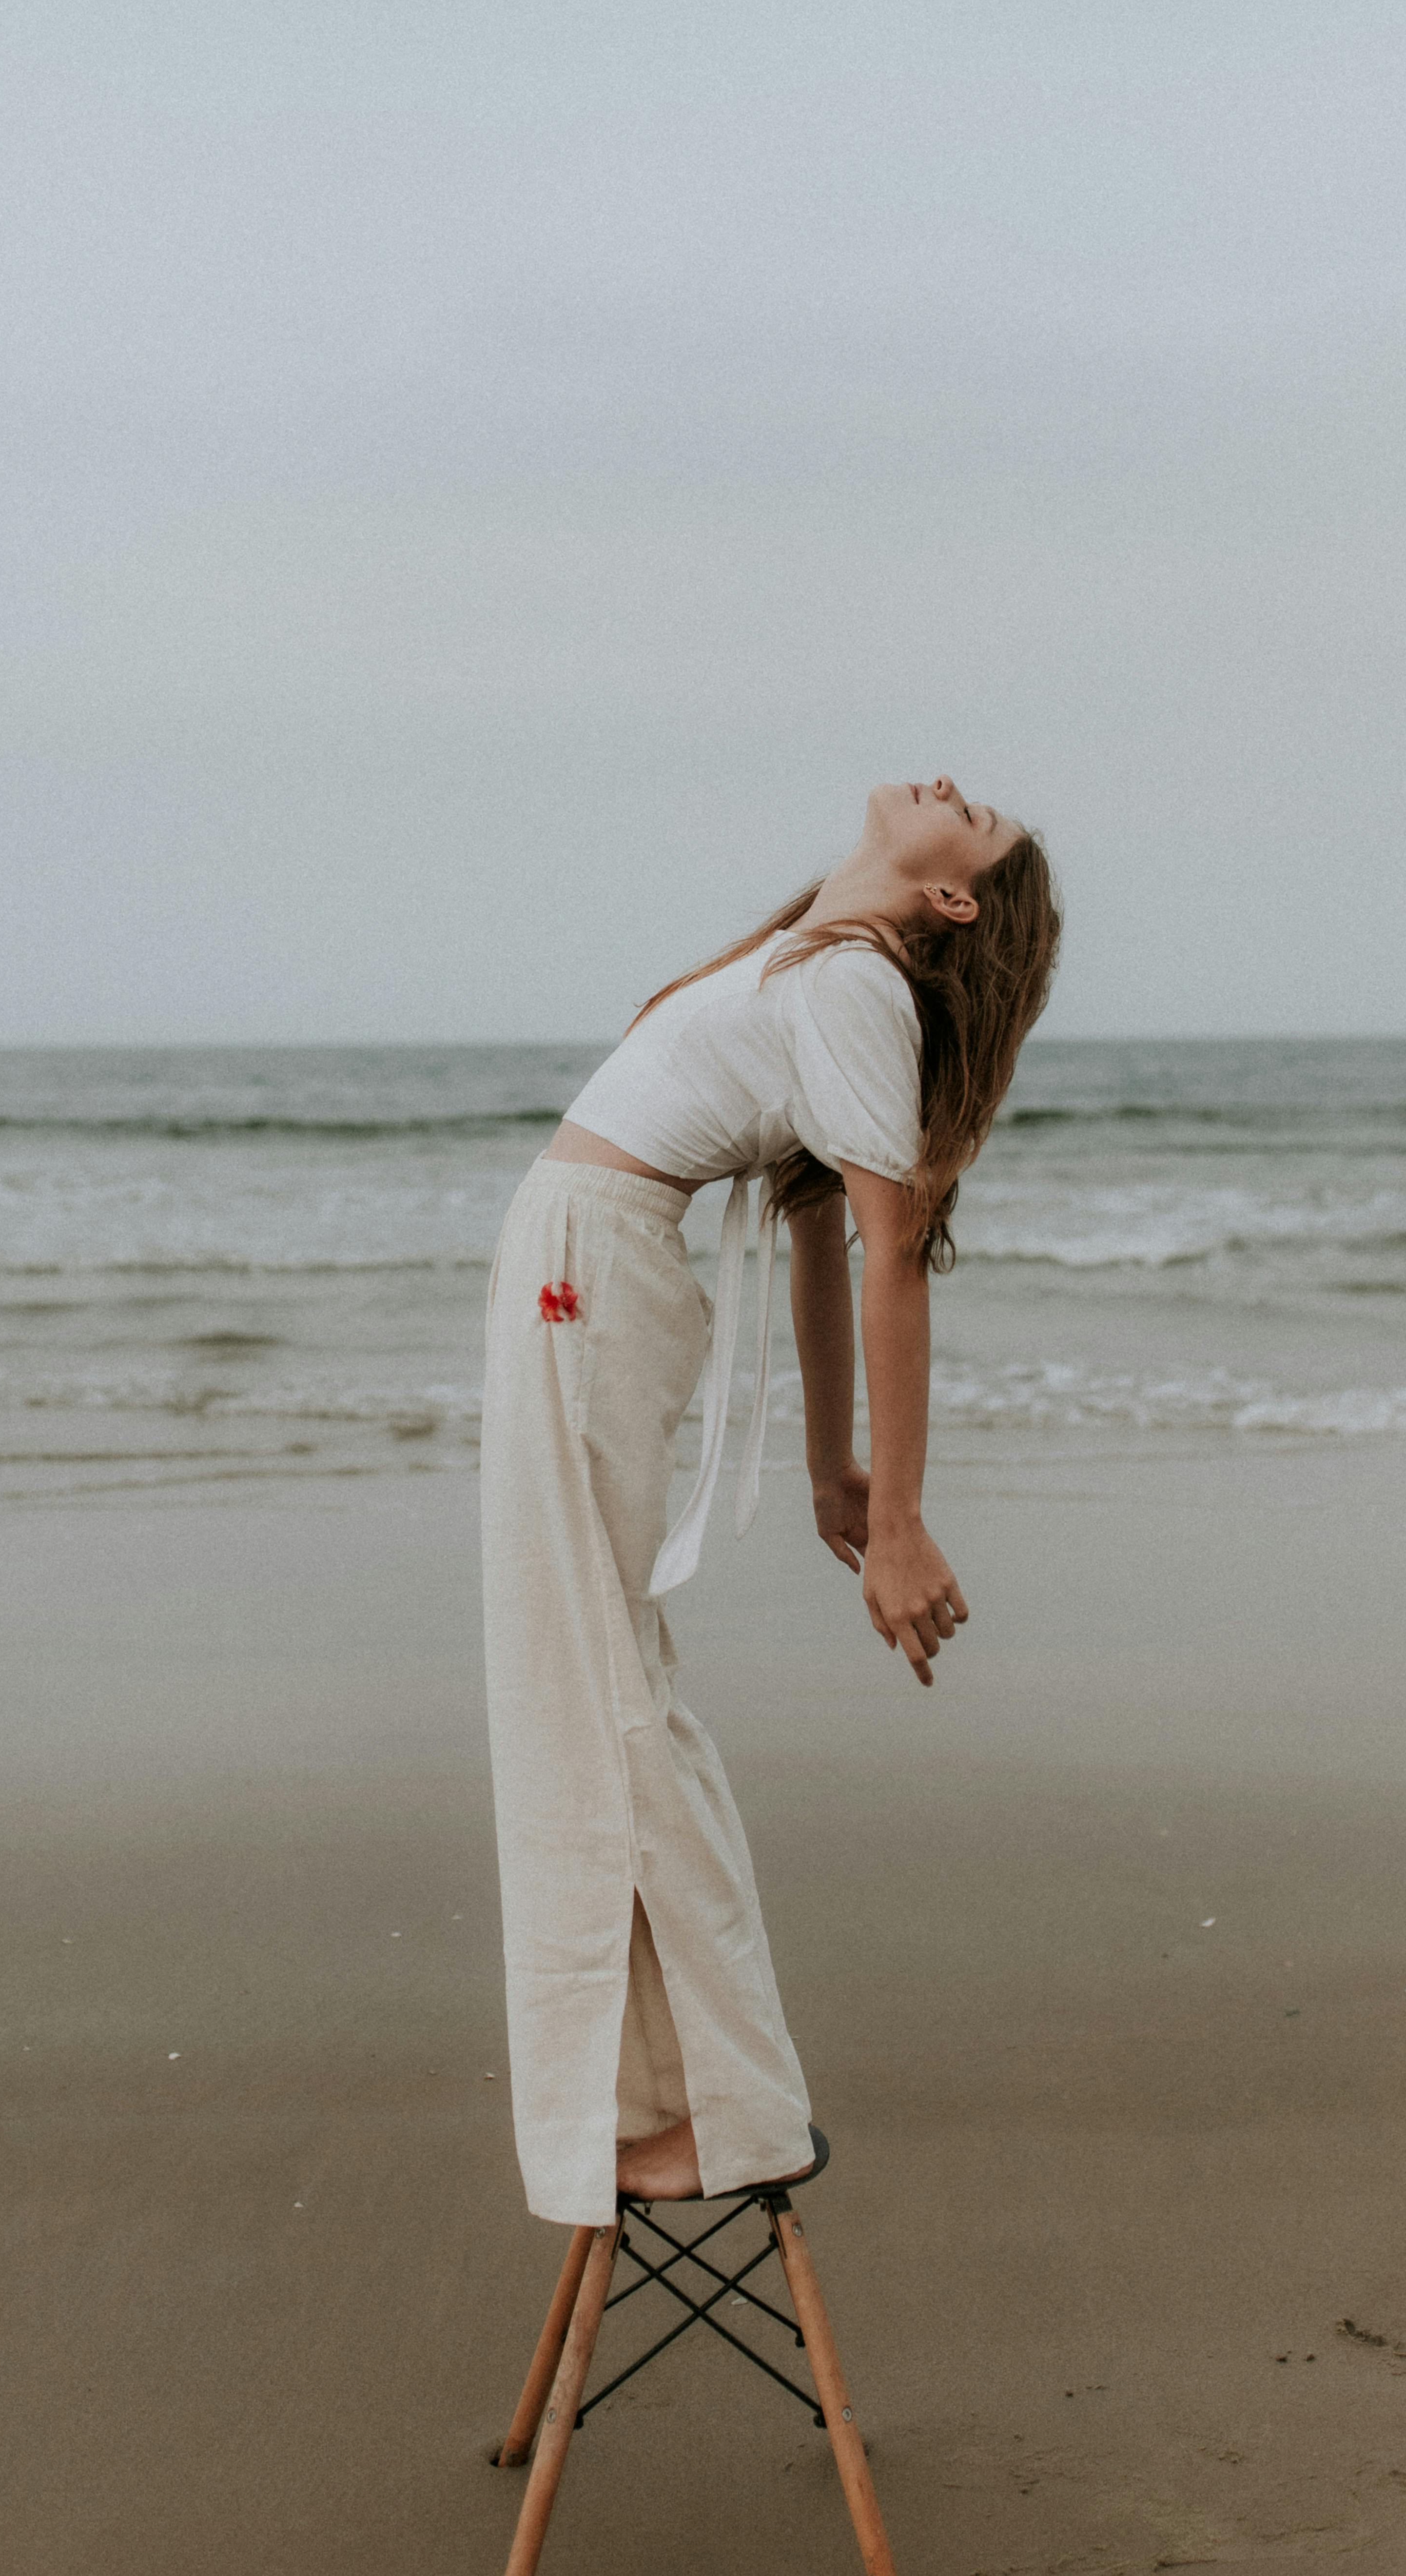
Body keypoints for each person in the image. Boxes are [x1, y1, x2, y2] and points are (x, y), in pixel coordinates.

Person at [481, 777, 1060, 2222]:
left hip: (589, 1280)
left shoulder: (860, 983)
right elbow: (811, 1227)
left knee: (597, 1691)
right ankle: (678, 2100)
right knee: (587, 1687)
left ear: (955, 900)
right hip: (578, 1273)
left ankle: (732, 2111)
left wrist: (904, 1520)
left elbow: (890, 1248)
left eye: (977, 820)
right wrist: (828, 1467)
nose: (954, 791)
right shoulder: (815, 957)